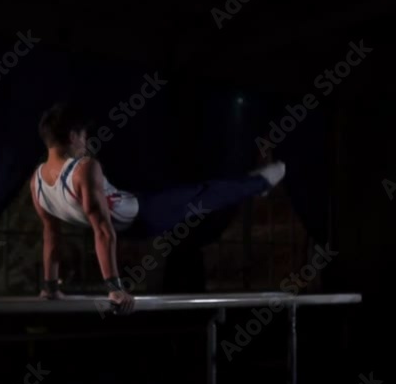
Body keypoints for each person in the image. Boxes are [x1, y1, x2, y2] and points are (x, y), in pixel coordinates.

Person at [31, 102, 286, 314]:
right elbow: (103, 231)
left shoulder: (37, 182)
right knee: (205, 194)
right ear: (73, 136)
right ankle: (261, 182)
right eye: (84, 136)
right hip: (145, 215)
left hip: (131, 212)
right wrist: (115, 288)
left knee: (195, 194)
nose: (86, 143)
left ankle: (257, 185)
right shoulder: (84, 168)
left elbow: (51, 237)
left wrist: (50, 287)